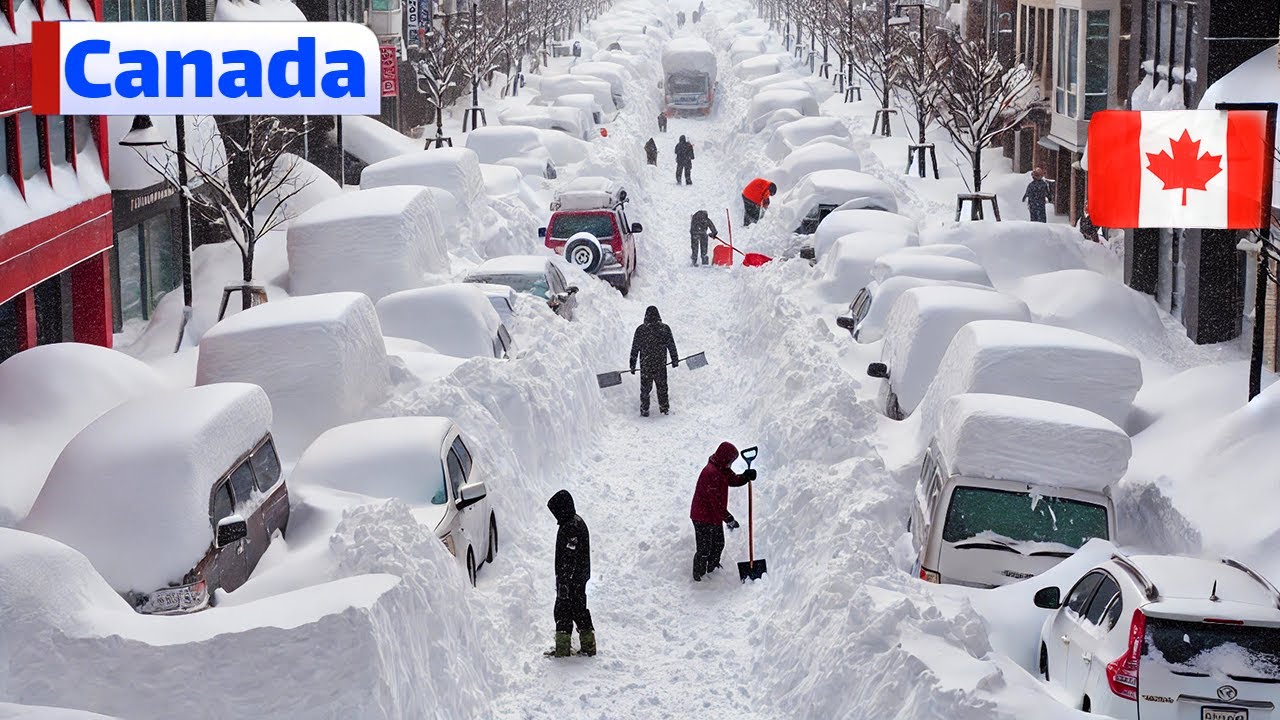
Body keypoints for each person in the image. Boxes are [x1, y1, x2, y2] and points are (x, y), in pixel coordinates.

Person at [689, 442, 756, 582]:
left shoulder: (721, 468)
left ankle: (712, 569)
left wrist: (745, 477)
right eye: (731, 461)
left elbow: (732, 479)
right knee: (704, 549)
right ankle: (699, 576)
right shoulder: (711, 473)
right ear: (725, 459)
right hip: (702, 516)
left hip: (714, 516)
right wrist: (729, 518)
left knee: (718, 543)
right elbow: (716, 504)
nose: (731, 464)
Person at [545, 490, 594, 658]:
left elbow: (569, 559)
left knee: (564, 611)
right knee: (578, 609)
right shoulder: (574, 522)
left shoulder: (571, 528)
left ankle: (564, 648)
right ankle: (587, 645)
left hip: (572, 580)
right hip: (578, 578)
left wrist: (565, 582)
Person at [629, 306, 679, 417]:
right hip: (660, 364)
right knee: (662, 387)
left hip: (646, 366)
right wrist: (674, 359)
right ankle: (664, 408)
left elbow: (634, 349)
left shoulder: (640, 330)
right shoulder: (665, 329)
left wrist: (632, 364)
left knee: (645, 390)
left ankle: (645, 409)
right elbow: (671, 346)